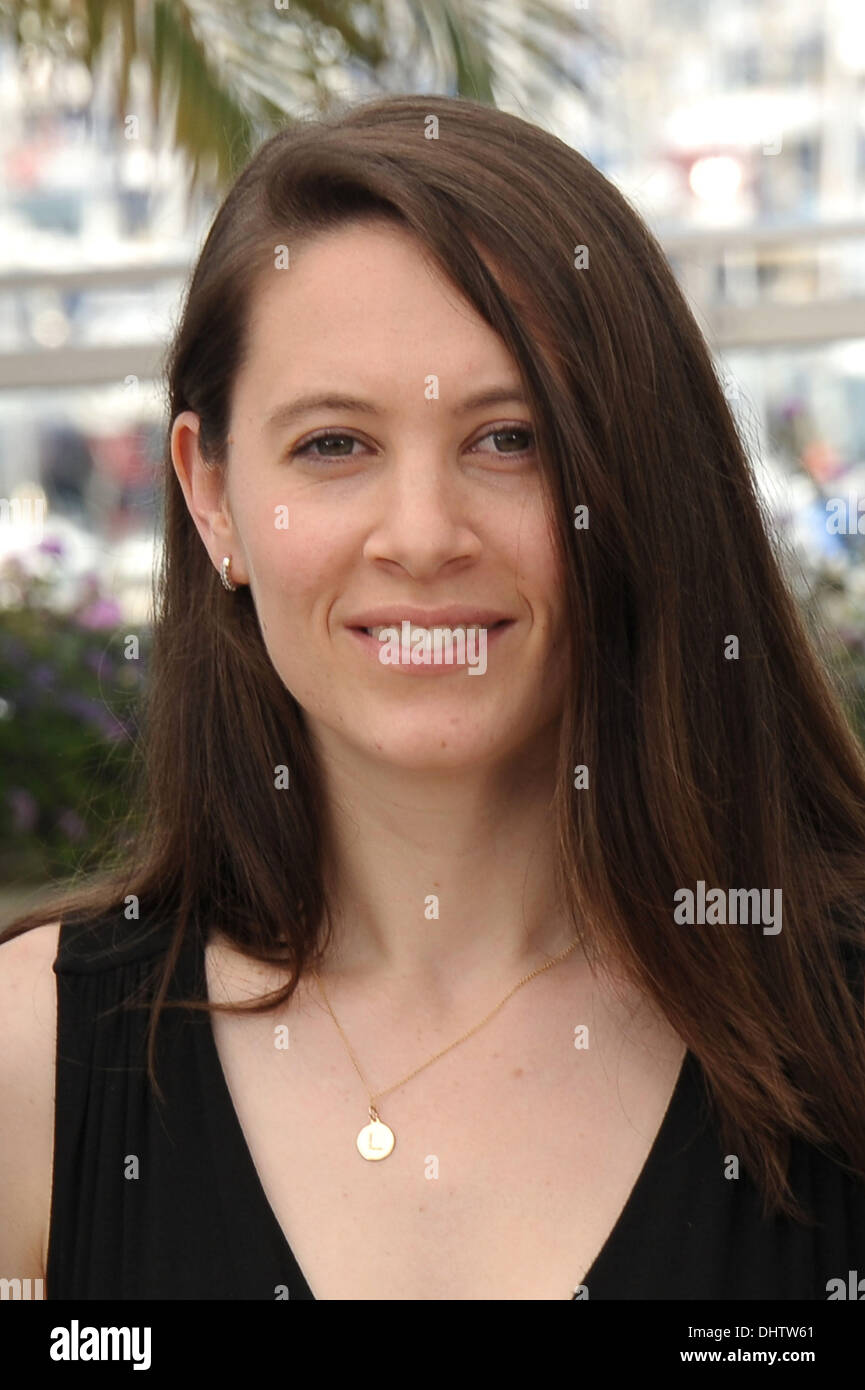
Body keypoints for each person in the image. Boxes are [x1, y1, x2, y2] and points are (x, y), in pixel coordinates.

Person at [2, 92, 865, 1302]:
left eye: (510, 438)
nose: (422, 535)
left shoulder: (842, 1024)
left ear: (639, 477)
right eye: (333, 445)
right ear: (211, 498)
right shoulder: (29, 1065)